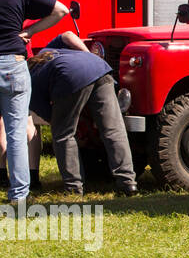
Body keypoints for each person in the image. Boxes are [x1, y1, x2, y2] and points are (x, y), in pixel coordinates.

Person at [27, 40, 138, 196]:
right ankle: (128, 182)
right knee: (113, 130)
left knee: (62, 134)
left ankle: (74, 187)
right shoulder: (46, 52)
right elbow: (67, 35)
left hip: (71, 75)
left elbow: (52, 119)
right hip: (99, 67)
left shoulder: (29, 82)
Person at [0, 0, 66, 202]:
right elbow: (61, 10)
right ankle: (19, 195)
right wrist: (30, 31)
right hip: (13, 65)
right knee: (16, 132)